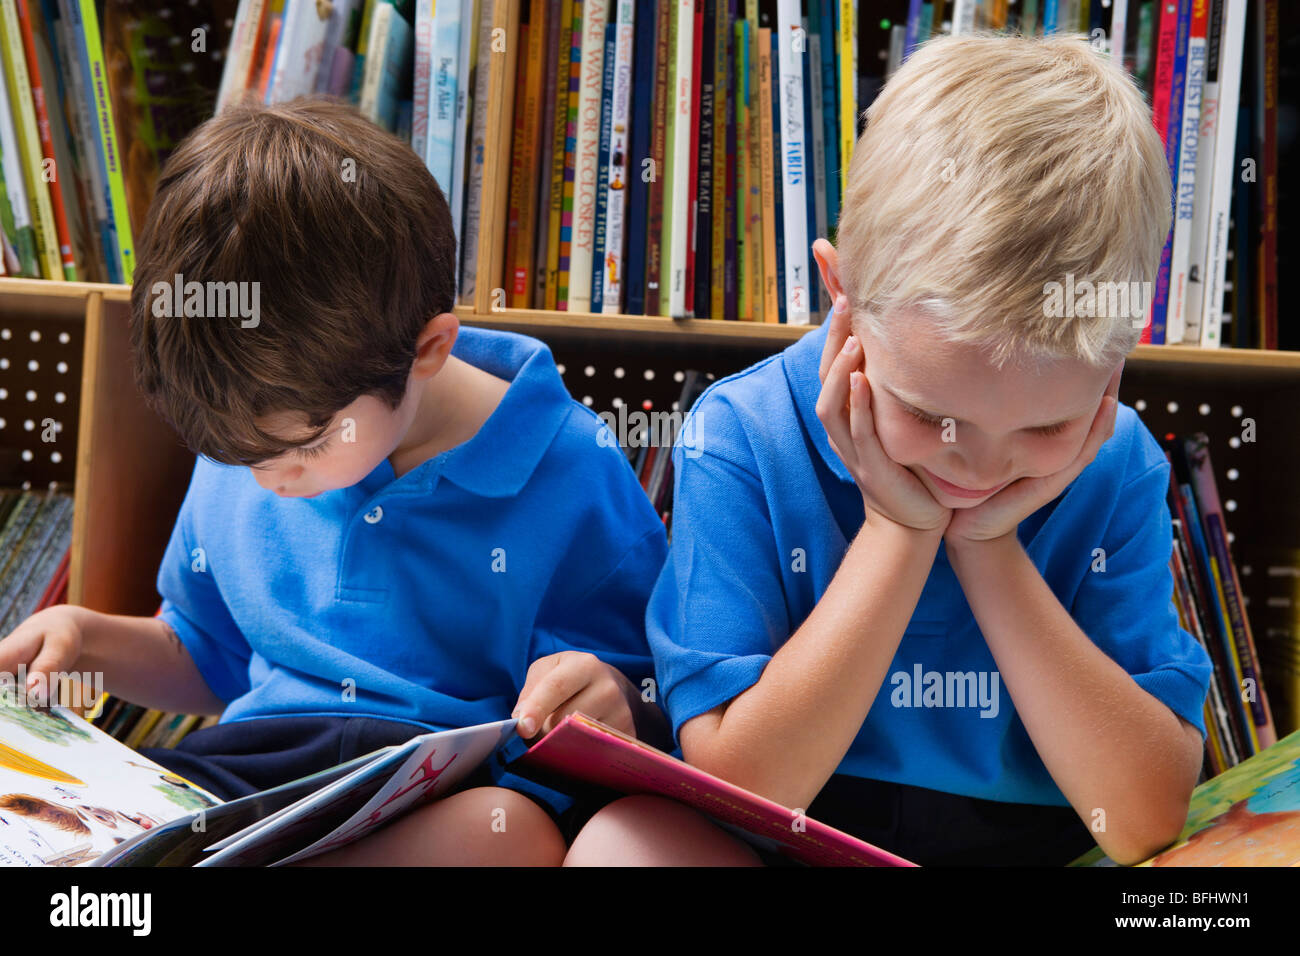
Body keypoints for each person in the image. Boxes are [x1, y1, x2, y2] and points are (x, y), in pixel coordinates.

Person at [563, 32, 1213, 867]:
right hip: (791, 833)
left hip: (1035, 845)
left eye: (1045, 428)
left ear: (1115, 365)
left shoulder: (1118, 463)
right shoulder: (741, 435)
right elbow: (744, 784)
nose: (976, 470)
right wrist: (897, 533)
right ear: (843, 298)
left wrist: (988, 547)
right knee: (625, 847)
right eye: (928, 412)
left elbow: (1144, 819)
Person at [0, 96, 669, 866]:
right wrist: (88, 640)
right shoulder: (251, 434)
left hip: (426, 793)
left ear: (426, 350)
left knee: (508, 833)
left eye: (302, 449)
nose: (268, 482)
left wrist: (610, 696)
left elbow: (649, 711)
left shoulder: (573, 471)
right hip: (242, 785)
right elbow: (205, 654)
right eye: (237, 457)